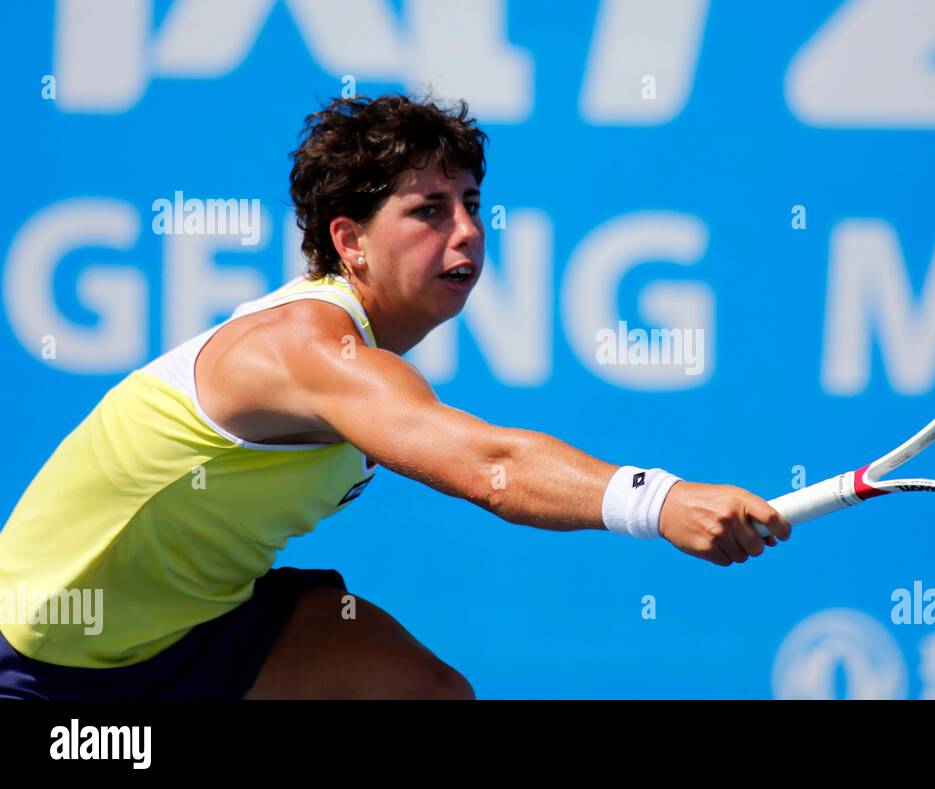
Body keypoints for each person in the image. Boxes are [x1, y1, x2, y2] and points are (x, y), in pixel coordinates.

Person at [0, 94, 792, 700]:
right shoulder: (308, 347)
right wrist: (659, 501)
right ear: (349, 241)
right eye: (429, 210)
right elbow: (493, 467)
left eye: (473, 205)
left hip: (197, 627)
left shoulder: (365, 361)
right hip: (43, 665)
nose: (468, 231)